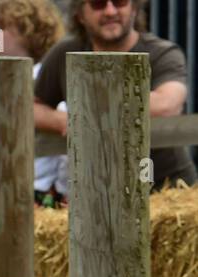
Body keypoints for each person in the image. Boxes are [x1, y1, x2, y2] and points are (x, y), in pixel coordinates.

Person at [34, 0, 196, 189]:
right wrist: (64, 121)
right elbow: (31, 107)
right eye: (98, 4)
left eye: (119, 2)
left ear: (134, 7)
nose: (110, 11)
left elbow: (168, 105)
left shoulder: (163, 52)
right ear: (80, 15)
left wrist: (89, 114)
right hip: (98, 191)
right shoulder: (66, 52)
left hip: (166, 188)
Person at [0, 1, 68, 207]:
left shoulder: (48, 81)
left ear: (26, 29)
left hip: (36, 197)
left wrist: (61, 190)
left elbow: (68, 143)